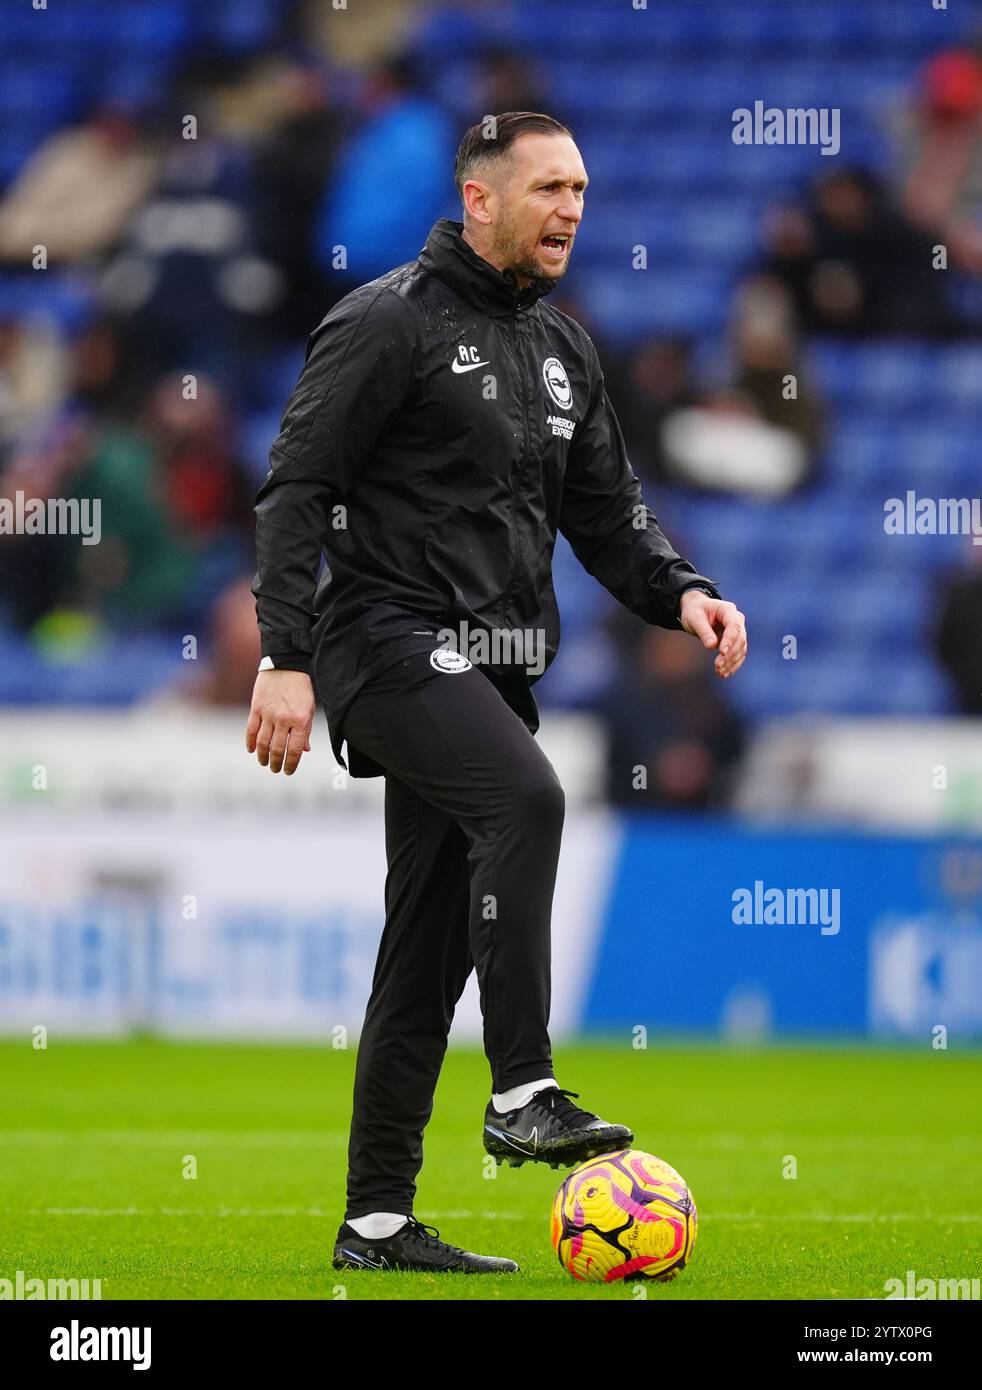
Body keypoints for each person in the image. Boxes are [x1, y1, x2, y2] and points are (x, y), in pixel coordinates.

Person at [247, 112, 747, 1274]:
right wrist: (284, 655)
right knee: (528, 800)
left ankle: (375, 1222)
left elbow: (609, 515)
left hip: (491, 665)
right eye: (548, 188)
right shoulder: (386, 322)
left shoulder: (564, 347)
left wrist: (684, 592)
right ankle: (523, 1084)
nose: (571, 208)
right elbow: (295, 487)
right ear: (479, 199)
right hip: (382, 640)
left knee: (422, 954)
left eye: (581, 187)